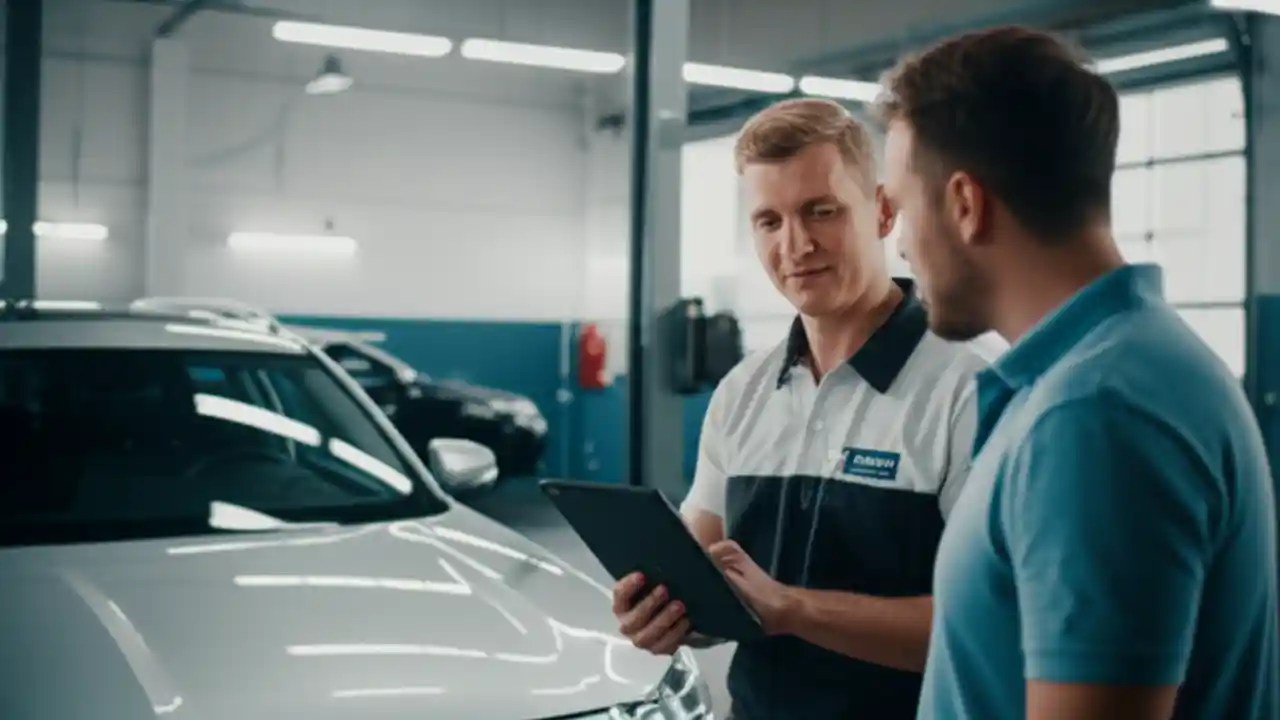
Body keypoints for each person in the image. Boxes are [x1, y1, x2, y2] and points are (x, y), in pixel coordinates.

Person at [875, 25, 1279, 720]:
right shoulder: (1121, 369)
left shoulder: (1094, 414)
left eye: (904, 208)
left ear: (966, 205)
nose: (902, 244)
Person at [611, 98, 990, 719]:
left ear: (883, 210)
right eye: (770, 220)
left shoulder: (966, 388)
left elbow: (987, 628)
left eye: (822, 211)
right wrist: (666, 615)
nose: (797, 245)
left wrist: (794, 610)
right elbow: (708, 595)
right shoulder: (742, 393)